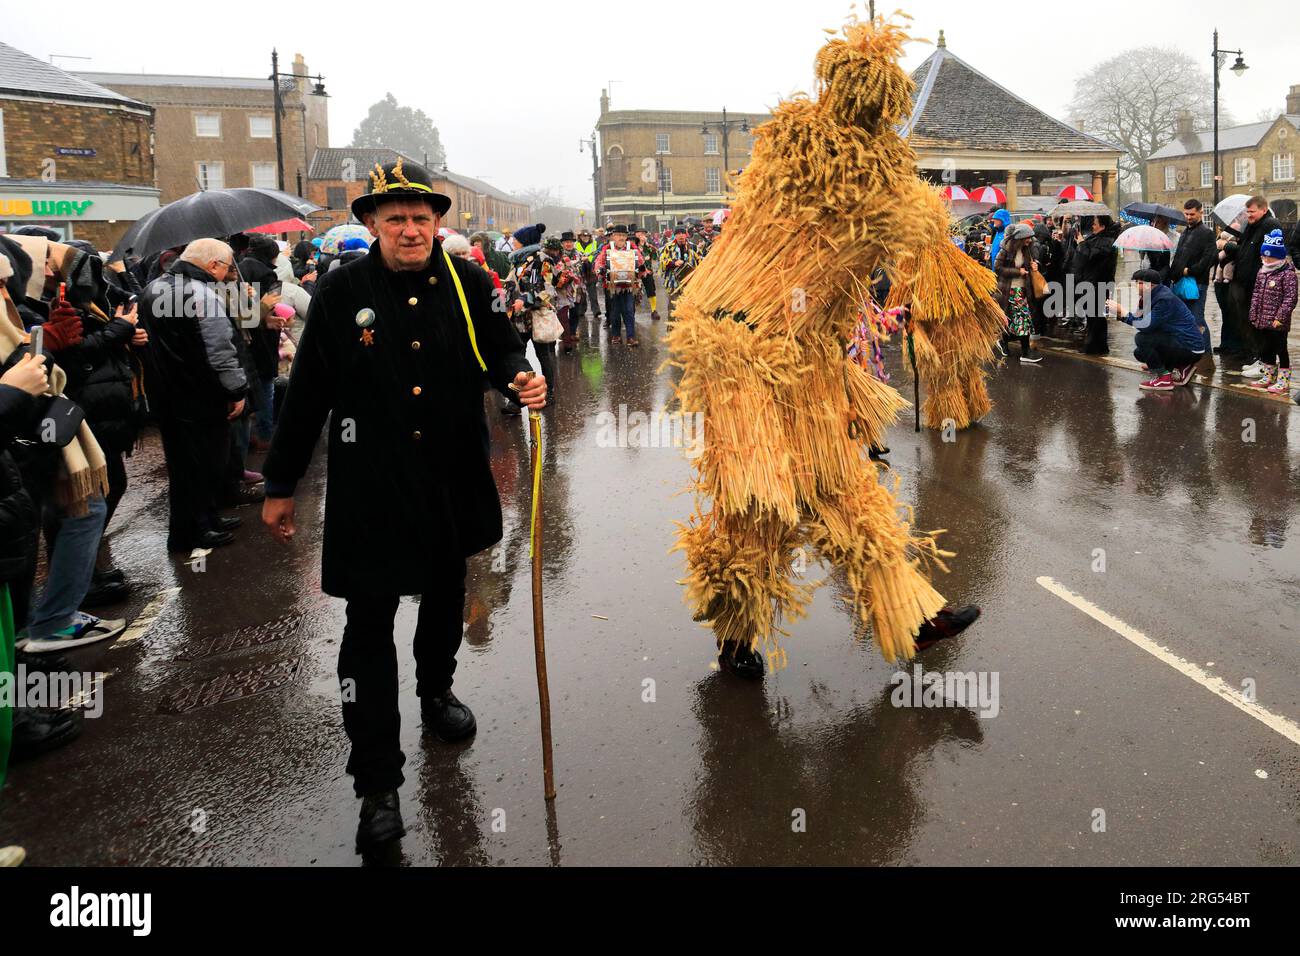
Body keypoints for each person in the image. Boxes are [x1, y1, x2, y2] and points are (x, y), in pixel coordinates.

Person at [259, 158, 545, 854]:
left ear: (437, 223)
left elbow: (501, 347)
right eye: (396, 219)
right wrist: (279, 483)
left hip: (449, 477)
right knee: (368, 624)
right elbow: (309, 395)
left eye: (421, 217)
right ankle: (377, 782)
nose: (410, 229)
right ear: (372, 225)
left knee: (448, 594)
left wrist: (519, 380)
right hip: (372, 485)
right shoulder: (339, 290)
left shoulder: (470, 280)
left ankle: (437, 689)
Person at [137, 238, 248, 551]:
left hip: (167, 393)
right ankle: (195, 529)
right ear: (212, 265)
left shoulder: (155, 287)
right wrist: (236, 389)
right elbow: (219, 350)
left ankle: (204, 520)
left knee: (185, 465)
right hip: (200, 395)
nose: (226, 274)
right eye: (225, 267)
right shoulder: (199, 294)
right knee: (205, 464)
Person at [1107, 268, 1208, 391]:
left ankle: (1164, 378)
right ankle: (1183, 367)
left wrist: (1123, 312)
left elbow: (1145, 326)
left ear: (1147, 285)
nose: (1135, 287)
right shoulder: (1151, 296)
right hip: (1185, 345)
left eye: (1137, 283)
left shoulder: (1164, 299)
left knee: (1142, 339)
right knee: (1139, 353)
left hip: (1191, 349)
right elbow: (1139, 319)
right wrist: (1119, 313)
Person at [1225, 196, 1281, 364]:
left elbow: (1272, 256)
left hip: (1260, 284)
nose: (1249, 215)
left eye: (1252, 211)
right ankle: (1257, 358)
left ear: (1263, 210)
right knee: (1248, 323)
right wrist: (1232, 248)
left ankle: (1265, 362)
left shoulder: (1271, 225)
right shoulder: (1249, 226)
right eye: (1247, 211)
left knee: (1260, 325)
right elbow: (1244, 251)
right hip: (1244, 282)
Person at [1245, 229, 1296, 394]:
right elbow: (1256, 295)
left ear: (1279, 256)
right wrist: (1253, 314)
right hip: (1262, 320)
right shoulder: (1262, 272)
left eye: (1270, 256)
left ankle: (1283, 380)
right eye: (1264, 256)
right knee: (1265, 348)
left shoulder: (1287, 274)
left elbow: (1290, 298)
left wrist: (1280, 317)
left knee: (1281, 349)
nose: (1266, 259)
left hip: (1277, 322)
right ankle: (1268, 376)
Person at [1071, 215, 1122, 354]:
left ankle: (1093, 347)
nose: (1092, 226)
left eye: (1095, 224)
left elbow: (1090, 256)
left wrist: (1081, 243)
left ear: (1103, 226)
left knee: (1096, 316)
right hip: (1091, 282)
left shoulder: (1108, 242)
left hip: (1099, 283)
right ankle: (1098, 346)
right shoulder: (1098, 238)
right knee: (1093, 316)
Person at [994, 223, 1042, 363]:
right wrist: (1017, 272)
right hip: (1009, 290)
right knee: (1023, 319)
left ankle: (1004, 341)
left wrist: (1034, 265)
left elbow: (1032, 261)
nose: (1030, 240)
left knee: (1015, 321)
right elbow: (997, 268)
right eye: (1028, 237)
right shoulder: (1006, 249)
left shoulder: (1027, 249)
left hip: (1023, 290)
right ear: (1020, 238)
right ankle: (1025, 352)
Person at [1168, 199, 1216, 329]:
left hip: (1197, 282)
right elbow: (1179, 256)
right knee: (1185, 318)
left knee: (1197, 319)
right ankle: (1192, 348)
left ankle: (1204, 349)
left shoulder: (1207, 232)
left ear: (1200, 213)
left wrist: (1189, 271)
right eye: (1186, 214)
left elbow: (1210, 259)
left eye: (1192, 214)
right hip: (1181, 281)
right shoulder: (1185, 231)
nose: (1188, 217)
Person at [594, 224, 644, 345]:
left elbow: (641, 261)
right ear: (613, 236)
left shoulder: (632, 246)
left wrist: (641, 268)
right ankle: (616, 336)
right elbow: (599, 262)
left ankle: (631, 337)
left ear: (626, 236)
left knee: (629, 311)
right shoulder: (607, 248)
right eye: (618, 235)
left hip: (629, 286)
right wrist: (599, 269)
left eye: (623, 235)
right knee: (615, 312)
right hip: (613, 287)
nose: (621, 237)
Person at [634, 228, 661, 320]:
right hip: (635, 273)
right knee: (633, 291)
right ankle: (630, 312)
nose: (642, 236)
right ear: (636, 234)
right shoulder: (632, 246)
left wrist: (650, 247)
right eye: (640, 234)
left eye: (644, 234)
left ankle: (654, 310)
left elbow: (655, 257)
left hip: (647, 271)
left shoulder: (648, 247)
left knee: (651, 290)